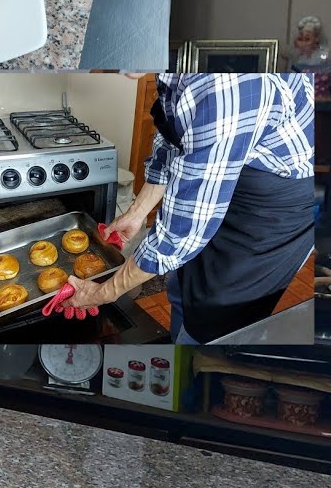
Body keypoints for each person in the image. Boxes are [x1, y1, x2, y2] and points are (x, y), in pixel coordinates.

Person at [63, 73, 316, 344]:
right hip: (227, 177)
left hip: (272, 210)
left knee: (214, 323)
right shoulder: (181, 72)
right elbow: (175, 139)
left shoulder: (227, 85)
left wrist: (104, 293)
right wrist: (138, 212)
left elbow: (180, 234)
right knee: (181, 287)